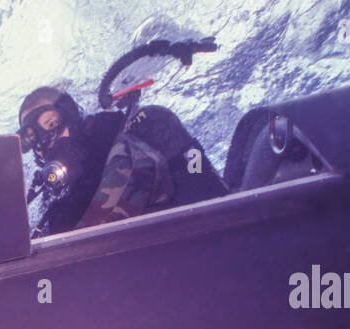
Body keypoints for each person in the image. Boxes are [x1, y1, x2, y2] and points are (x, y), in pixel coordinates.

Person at [18, 86, 227, 236]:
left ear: (70, 115)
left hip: (207, 234)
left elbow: (196, 169)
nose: (47, 141)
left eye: (51, 122)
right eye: (34, 138)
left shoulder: (142, 126)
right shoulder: (54, 203)